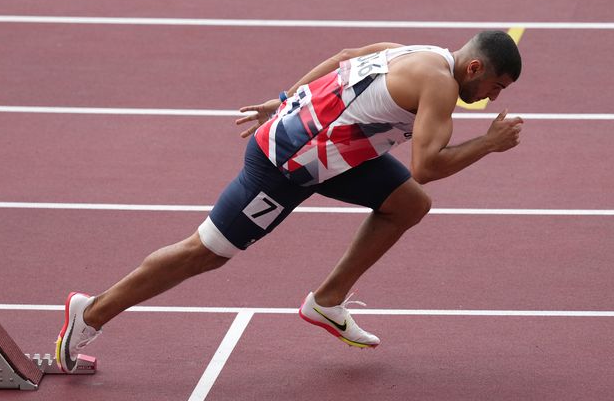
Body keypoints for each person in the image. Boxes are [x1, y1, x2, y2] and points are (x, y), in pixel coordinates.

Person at [55, 30, 523, 372]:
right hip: (287, 163)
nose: (490, 98)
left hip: (335, 155)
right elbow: (428, 165)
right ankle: (91, 311)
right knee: (207, 253)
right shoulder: (440, 84)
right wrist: (489, 142)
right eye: (495, 87)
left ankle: (327, 301)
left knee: (409, 204)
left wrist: (281, 100)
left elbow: (346, 55)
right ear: (475, 68)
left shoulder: (419, 51)